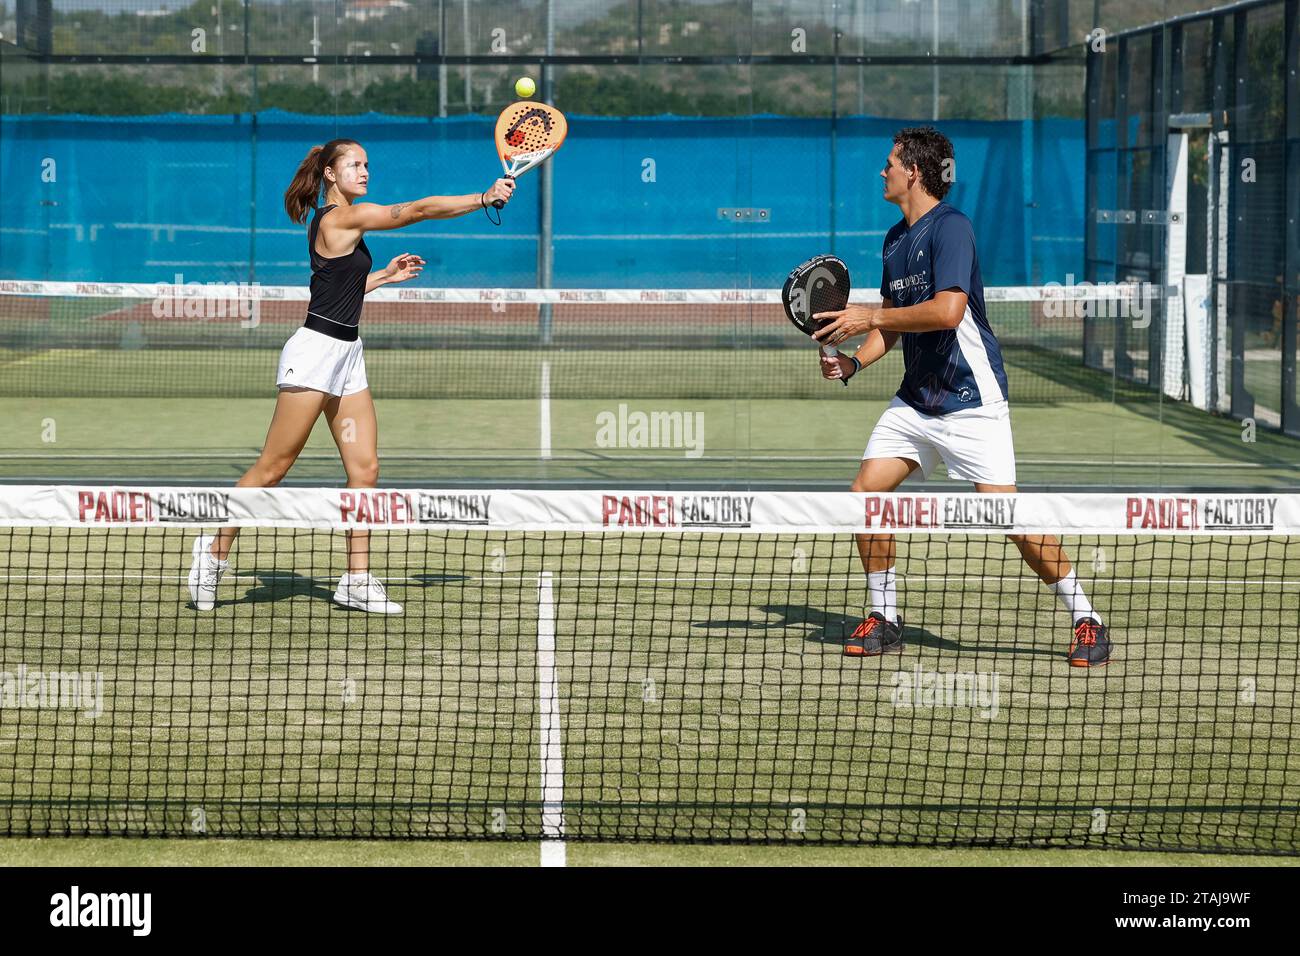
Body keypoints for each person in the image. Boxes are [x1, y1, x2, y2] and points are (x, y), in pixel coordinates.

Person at [813, 126, 1111, 667]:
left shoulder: (952, 228)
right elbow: (895, 326)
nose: (882, 171)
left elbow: (947, 312)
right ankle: (885, 617)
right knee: (865, 494)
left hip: (971, 400)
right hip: (915, 403)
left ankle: (1087, 618)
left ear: (914, 173)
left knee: (1010, 518)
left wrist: (869, 315)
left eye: (890, 163)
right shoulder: (894, 241)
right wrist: (855, 359)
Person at [187, 138, 515, 614]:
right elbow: (418, 210)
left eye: (367, 164)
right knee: (273, 468)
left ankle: (356, 580)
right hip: (315, 355)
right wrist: (482, 198)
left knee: (365, 468)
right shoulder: (339, 218)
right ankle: (211, 557)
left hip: (347, 355)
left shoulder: (346, 226)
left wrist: (383, 275)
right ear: (330, 175)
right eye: (354, 165)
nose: (365, 171)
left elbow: (339, 286)